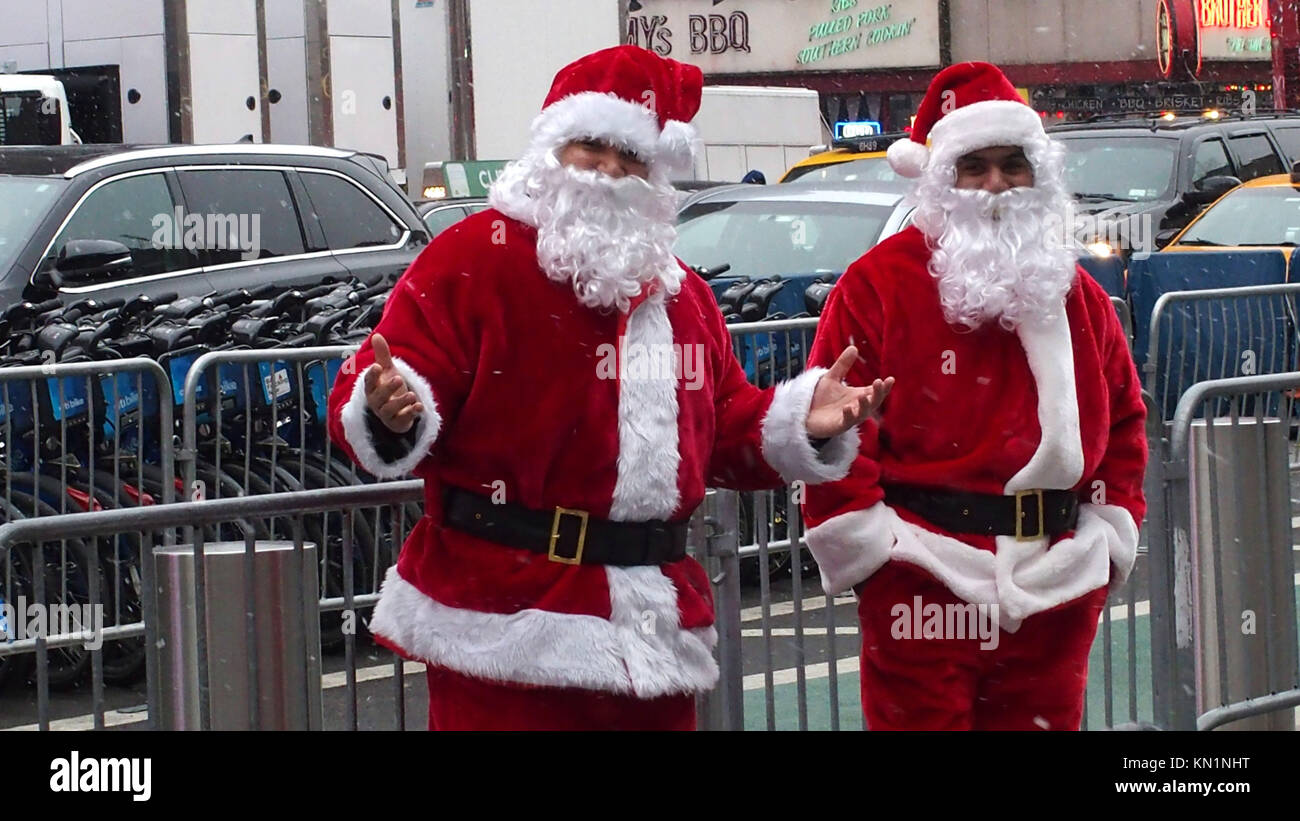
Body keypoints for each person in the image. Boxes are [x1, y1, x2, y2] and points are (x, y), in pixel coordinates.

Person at [326, 45, 889, 731]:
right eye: (591, 148)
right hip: (505, 630)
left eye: (632, 160)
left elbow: (724, 428)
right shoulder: (474, 259)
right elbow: (388, 374)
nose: (610, 173)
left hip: (650, 638)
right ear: (551, 149)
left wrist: (800, 422)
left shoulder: (684, 299)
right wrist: (388, 408)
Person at [802, 61, 1147, 731]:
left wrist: (1110, 536)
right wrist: (873, 553)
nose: (996, 184)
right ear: (942, 179)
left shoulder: (1076, 294)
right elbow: (835, 425)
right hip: (923, 574)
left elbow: (1126, 420)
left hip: (1057, 582)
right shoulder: (877, 285)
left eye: (1013, 164)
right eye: (974, 165)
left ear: (1037, 175)